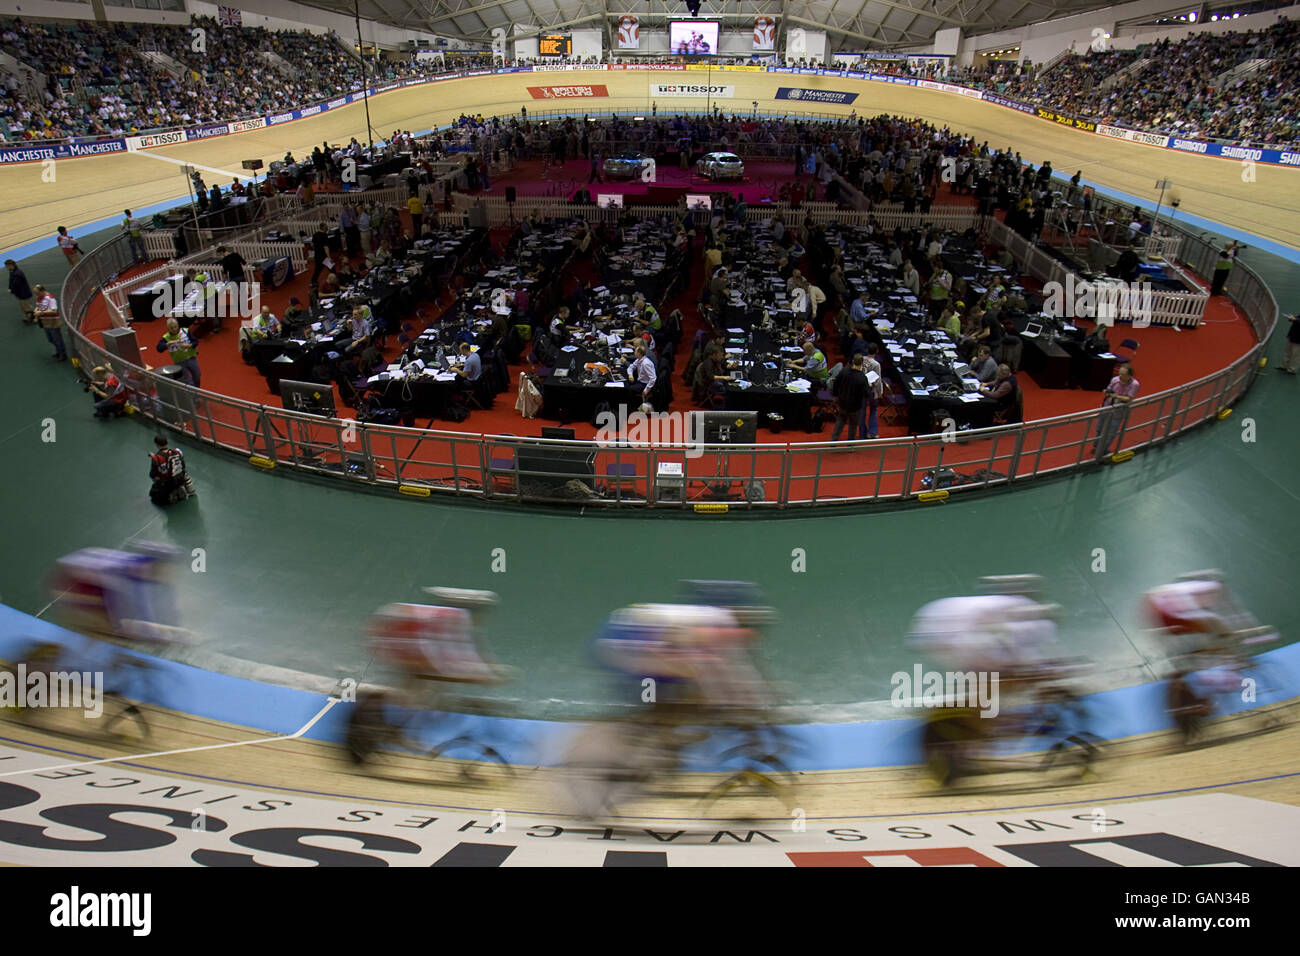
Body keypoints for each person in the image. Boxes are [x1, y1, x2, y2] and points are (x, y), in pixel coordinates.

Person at [1094, 363, 1139, 458]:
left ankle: (1104, 449)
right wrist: (1107, 392)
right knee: (1099, 428)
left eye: (1123, 375)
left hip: (1119, 411)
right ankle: (1096, 446)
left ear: (1130, 375)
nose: (1120, 377)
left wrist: (1116, 396)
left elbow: (1129, 398)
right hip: (1107, 407)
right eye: (1120, 374)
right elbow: (1108, 389)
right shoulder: (1115, 380)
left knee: (1111, 431)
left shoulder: (1134, 385)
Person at [831, 353, 869, 442]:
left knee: (840, 421)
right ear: (862, 363)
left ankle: (833, 440)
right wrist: (869, 386)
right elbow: (866, 394)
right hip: (855, 406)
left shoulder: (844, 371)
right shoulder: (862, 377)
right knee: (853, 425)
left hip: (843, 402)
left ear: (853, 361)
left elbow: (836, 383)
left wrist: (836, 395)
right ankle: (850, 444)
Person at [148, 435, 193, 506]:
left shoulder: (156, 459)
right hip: (179, 480)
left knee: (153, 494)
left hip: (167, 484)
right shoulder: (177, 452)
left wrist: (154, 458)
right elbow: (183, 466)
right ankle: (181, 489)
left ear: (157, 445)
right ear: (167, 442)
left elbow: (152, 475)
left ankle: (170, 495)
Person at [156, 318, 200, 387]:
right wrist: (168, 344)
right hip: (179, 362)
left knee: (197, 376)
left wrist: (189, 345)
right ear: (168, 328)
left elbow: (196, 341)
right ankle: (193, 393)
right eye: (171, 328)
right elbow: (159, 349)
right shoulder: (166, 337)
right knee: (187, 381)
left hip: (191, 358)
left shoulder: (185, 331)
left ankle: (197, 389)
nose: (174, 329)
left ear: (178, 325)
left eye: (175, 326)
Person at [33, 284, 66, 361]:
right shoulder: (38, 298)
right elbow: (39, 306)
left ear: (42, 291)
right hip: (45, 322)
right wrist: (36, 310)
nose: (36, 295)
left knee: (57, 339)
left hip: (53, 322)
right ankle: (58, 351)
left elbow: (54, 311)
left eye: (37, 293)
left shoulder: (50, 298)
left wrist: (41, 312)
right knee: (50, 339)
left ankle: (62, 354)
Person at [6, 259, 35, 325]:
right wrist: (10, 288)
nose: (7, 268)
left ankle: (35, 317)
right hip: (20, 293)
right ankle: (28, 317)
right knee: (23, 306)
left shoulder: (18, 273)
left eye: (7, 266)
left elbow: (16, 284)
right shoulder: (12, 272)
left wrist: (11, 289)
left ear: (11, 265)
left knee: (27, 306)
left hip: (23, 293)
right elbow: (11, 281)